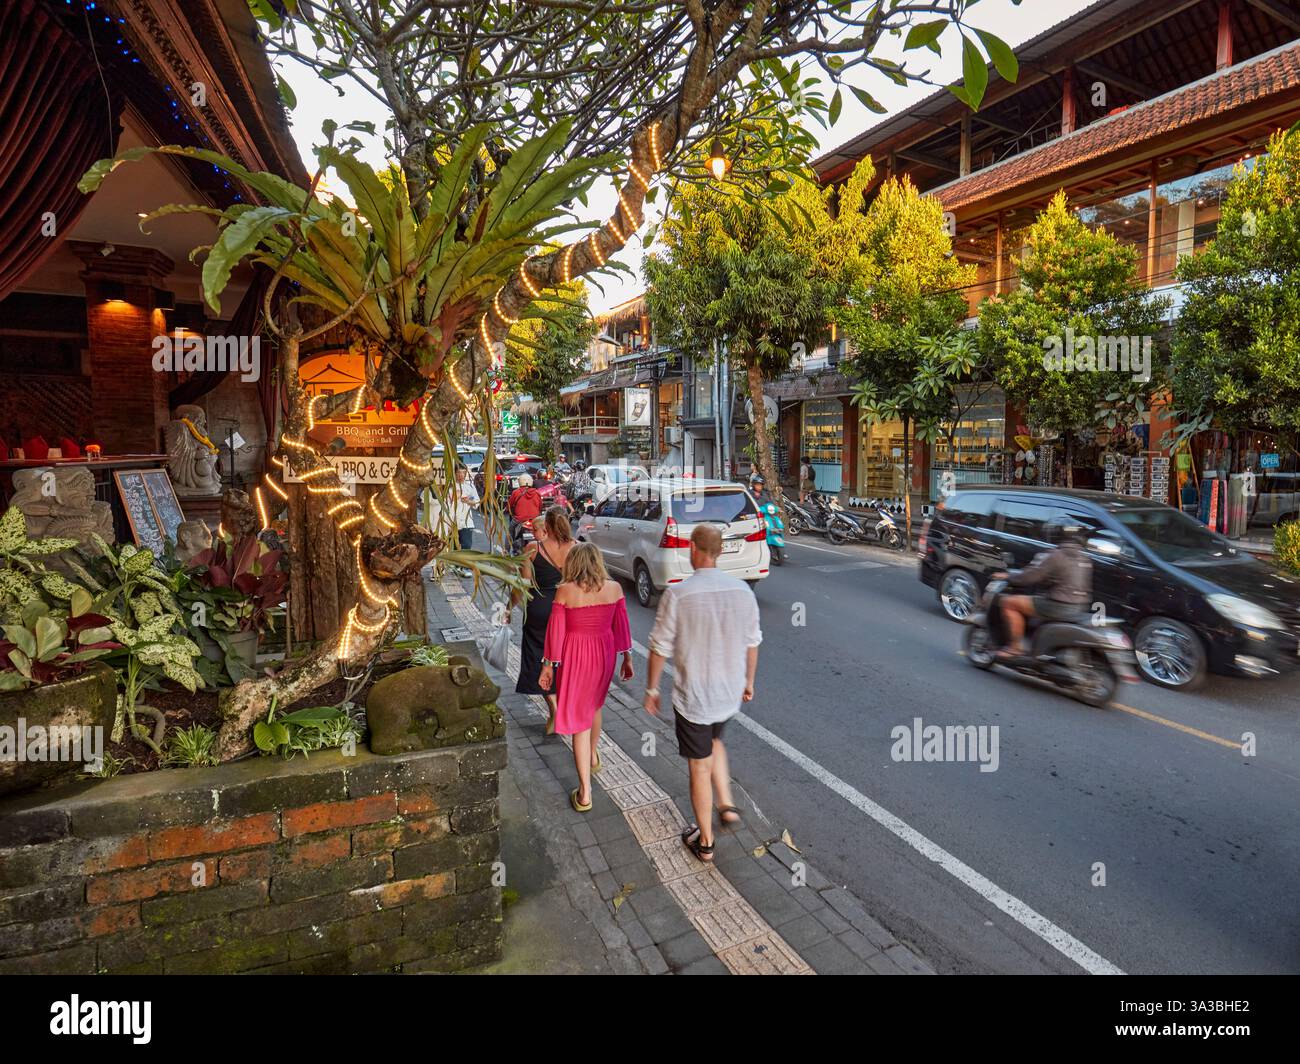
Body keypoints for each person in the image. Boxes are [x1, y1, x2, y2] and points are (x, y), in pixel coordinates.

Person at [643, 525, 761, 863]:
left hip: (695, 697)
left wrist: (652, 689)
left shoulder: (679, 594)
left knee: (698, 766)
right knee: (714, 743)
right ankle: (726, 805)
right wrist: (749, 681)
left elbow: (659, 646)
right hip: (728, 695)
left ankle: (705, 841)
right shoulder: (742, 592)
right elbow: (753, 643)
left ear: (695, 549)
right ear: (720, 551)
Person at [539, 544, 633, 813]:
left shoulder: (565, 591)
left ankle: (585, 793)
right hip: (604, 654)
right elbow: (622, 626)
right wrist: (627, 658)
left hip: (575, 655)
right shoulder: (614, 588)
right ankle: (592, 756)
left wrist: (548, 666)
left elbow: (555, 632)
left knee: (580, 721)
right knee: (594, 706)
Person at [509, 507, 575, 734]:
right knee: (565, 659)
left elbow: (523, 585)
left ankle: (554, 707)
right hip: (568, 610)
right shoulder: (576, 548)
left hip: (539, 610)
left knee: (540, 658)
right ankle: (567, 706)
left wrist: (509, 607)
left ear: (546, 526)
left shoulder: (533, 549)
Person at [994, 517, 1092, 658]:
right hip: (1081, 605)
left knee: (1009, 603)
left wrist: (1008, 577)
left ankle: (1015, 648)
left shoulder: (1056, 555)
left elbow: (1030, 578)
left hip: (1059, 605)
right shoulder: (1085, 557)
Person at [507, 472, 543, 550]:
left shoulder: (516, 492)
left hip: (519, 519)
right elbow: (540, 507)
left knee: (510, 530)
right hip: (534, 519)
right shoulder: (537, 493)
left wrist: (507, 509)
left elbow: (509, 506)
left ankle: (506, 550)